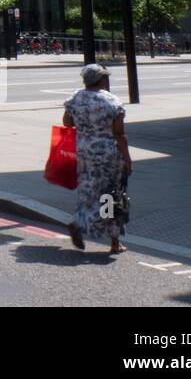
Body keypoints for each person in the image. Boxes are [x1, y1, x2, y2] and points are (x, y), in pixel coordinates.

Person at [63, 64, 131, 254]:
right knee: (110, 195)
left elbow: (67, 123)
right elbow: (119, 134)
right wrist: (127, 159)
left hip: (84, 151)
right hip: (108, 155)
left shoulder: (76, 98)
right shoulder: (112, 101)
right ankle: (113, 241)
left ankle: (79, 220)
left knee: (87, 189)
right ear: (101, 80)